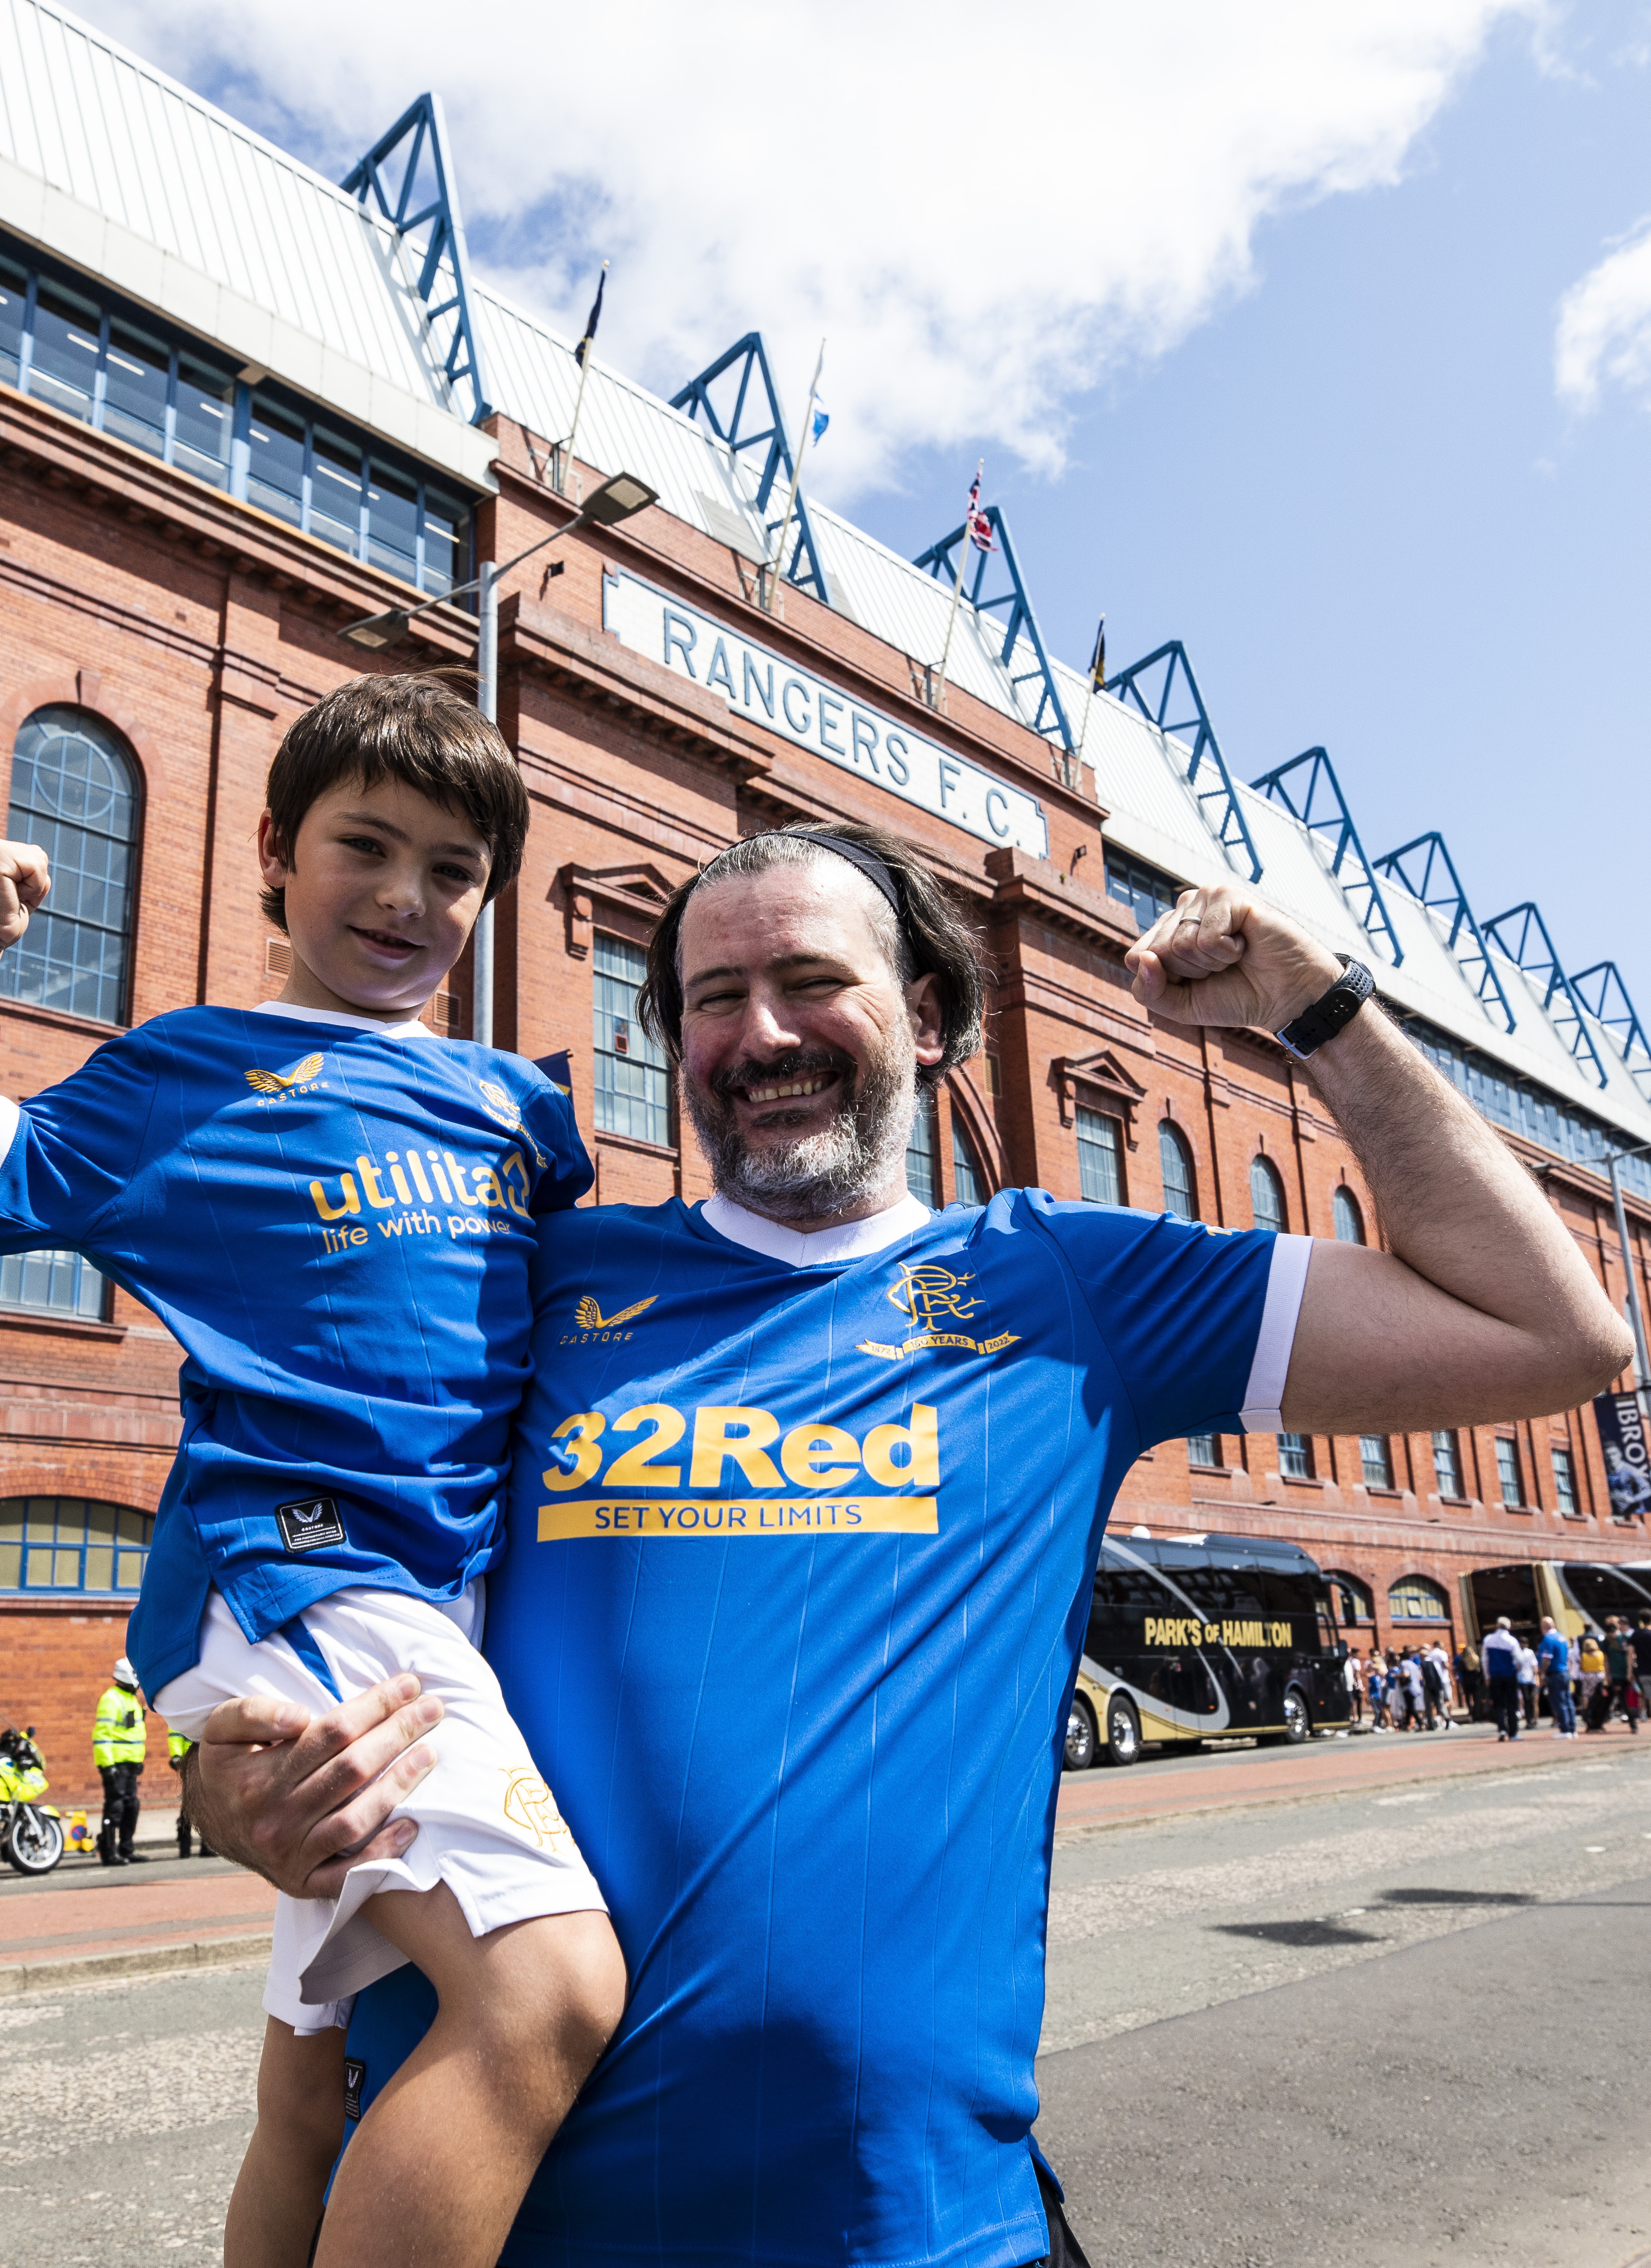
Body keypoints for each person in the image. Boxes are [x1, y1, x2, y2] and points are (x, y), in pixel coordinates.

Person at [186, 835, 1631, 2268]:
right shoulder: (536, 1277)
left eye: (813, 980)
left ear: (930, 1018)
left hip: (918, 2233)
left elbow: (1554, 1332)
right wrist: (229, 1778)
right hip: (511, 2228)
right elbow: (280, 1524)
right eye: (711, 996)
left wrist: (1321, 1013)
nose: (760, 1034)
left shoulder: (1074, 1285)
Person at [0, 674, 626, 2268]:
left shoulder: (520, 1106)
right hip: (305, 1569)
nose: (408, 896)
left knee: (317, 2085)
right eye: (367, 845)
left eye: (452, 868)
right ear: (276, 854)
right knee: (545, 1986)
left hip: (453, 1590)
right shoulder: (193, 1071)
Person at [92, 1655, 147, 1866]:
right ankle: (108, 1850)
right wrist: (107, 1767)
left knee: (131, 1806)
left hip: (130, 1765)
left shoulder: (130, 1699)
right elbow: (102, 1735)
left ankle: (127, 1848)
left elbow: (132, 1734)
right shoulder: (111, 1699)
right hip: (116, 1765)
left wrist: (138, 1759)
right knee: (115, 1808)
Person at [168, 1731, 211, 1858]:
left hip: (205, 1759)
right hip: (190, 1762)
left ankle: (207, 1846)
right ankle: (185, 1847)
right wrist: (177, 1757)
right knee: (189, 1806)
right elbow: (175, 1735)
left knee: (207, 1805)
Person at [1484, 1616, 1525, 1740]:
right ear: (1509, 1628)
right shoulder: (1511, 1641)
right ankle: (1513, 1733)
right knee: (1512, 1704)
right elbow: (1520, 1659)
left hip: (1495, 1676)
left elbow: (1485, 1660)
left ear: (1497, 1626)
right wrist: (1518, 1670)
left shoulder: (1488, 1640)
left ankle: (1502, 1729)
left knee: (1498, 1704)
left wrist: (1487, 1676)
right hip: (1509, 1675)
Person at [1538, 1616, 1577, 1738]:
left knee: (1558, 1701)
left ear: (1544, 1627)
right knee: (1568, 1700)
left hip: (1555, 1673)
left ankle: (1565, 1729)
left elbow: (1546, 1659)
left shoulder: (1548, 1639)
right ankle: (1572, 1729)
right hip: (1565, 1672)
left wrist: (1542, 1673)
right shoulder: (1562, 1637)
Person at [1603, 1617, 1640, 1732]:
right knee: (1623, 1698)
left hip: (1628, 1673)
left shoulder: (1626, 1638)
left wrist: (1631, 1671)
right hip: (1616, 1675)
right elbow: (1606, 1660)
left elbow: (1633, 1655)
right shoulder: (1606, 1642)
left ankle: (1635, 1718)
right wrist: (1608, 1675)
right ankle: (1633, 1723)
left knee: (1634, 1696)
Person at [1515, 1634, 1539, 1730]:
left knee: (1528, 1700)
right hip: (1526, 1679)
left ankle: (1531, 1720)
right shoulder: (1526, 1652)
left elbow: (1534, 1666)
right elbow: (1535, 1666)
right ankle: (1531, 1720)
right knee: (1528, 1700)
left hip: (1526, 1679)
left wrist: (1536, 1676)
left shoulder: (1526, 1652)